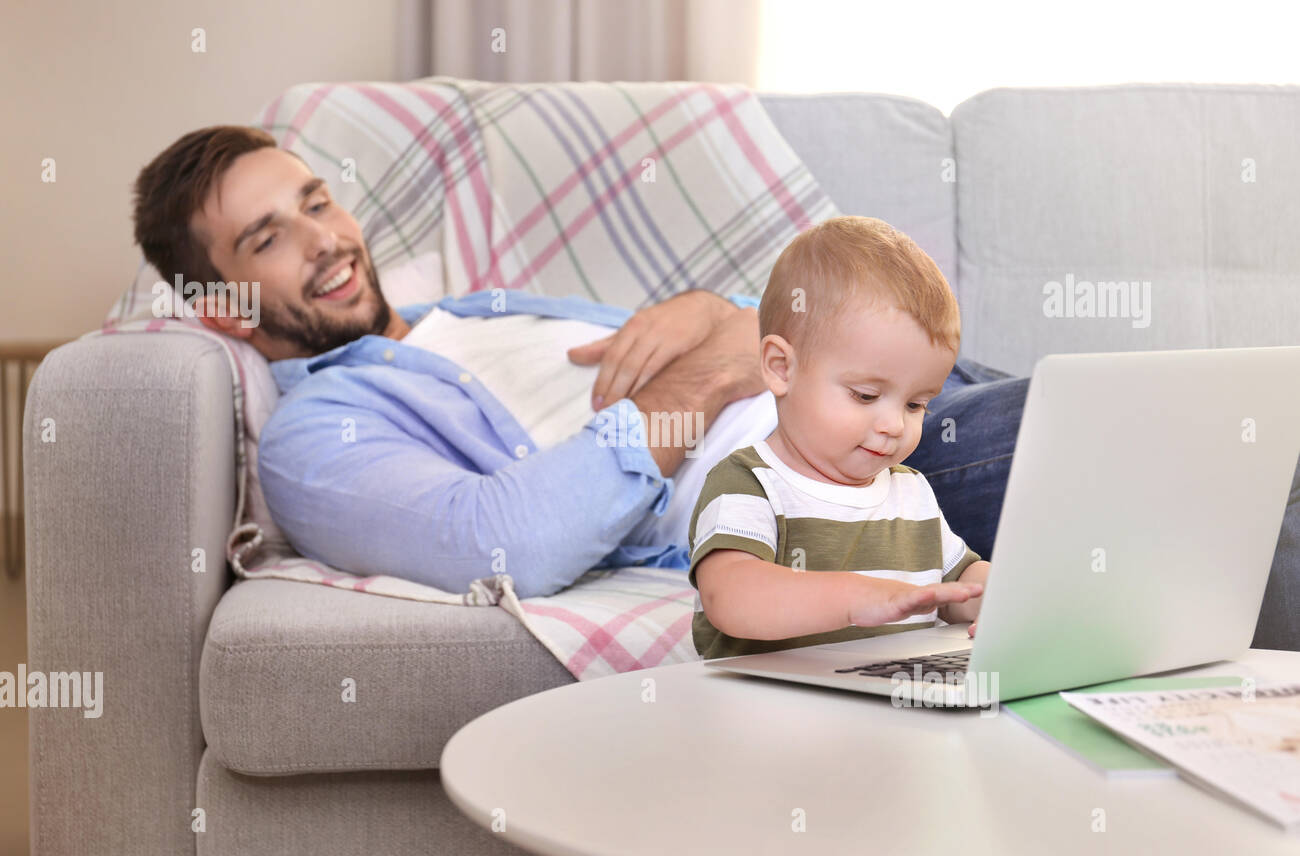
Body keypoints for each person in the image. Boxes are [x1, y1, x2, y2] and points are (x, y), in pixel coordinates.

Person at [129, 125, 1031, 605]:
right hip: (833, 464)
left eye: (316, 201)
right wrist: (716, 366)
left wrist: (720, 318)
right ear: (223, 308)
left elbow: (752, 340)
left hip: (888, 389)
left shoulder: (474, 310)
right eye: (269, 238)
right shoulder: (315, 434)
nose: (325, 241)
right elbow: (504, 541)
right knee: (1127, 447)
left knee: (1120, 416)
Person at [688, 217, 990, 658]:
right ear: (780, 367)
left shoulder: (911, 491)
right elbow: (731, 598)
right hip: (771, 711)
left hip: (889, 695)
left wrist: (999, 597)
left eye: (916, 404)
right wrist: (855, 598)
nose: (894, 425)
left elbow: (959, 583)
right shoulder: (750, 483)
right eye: (865, 395)